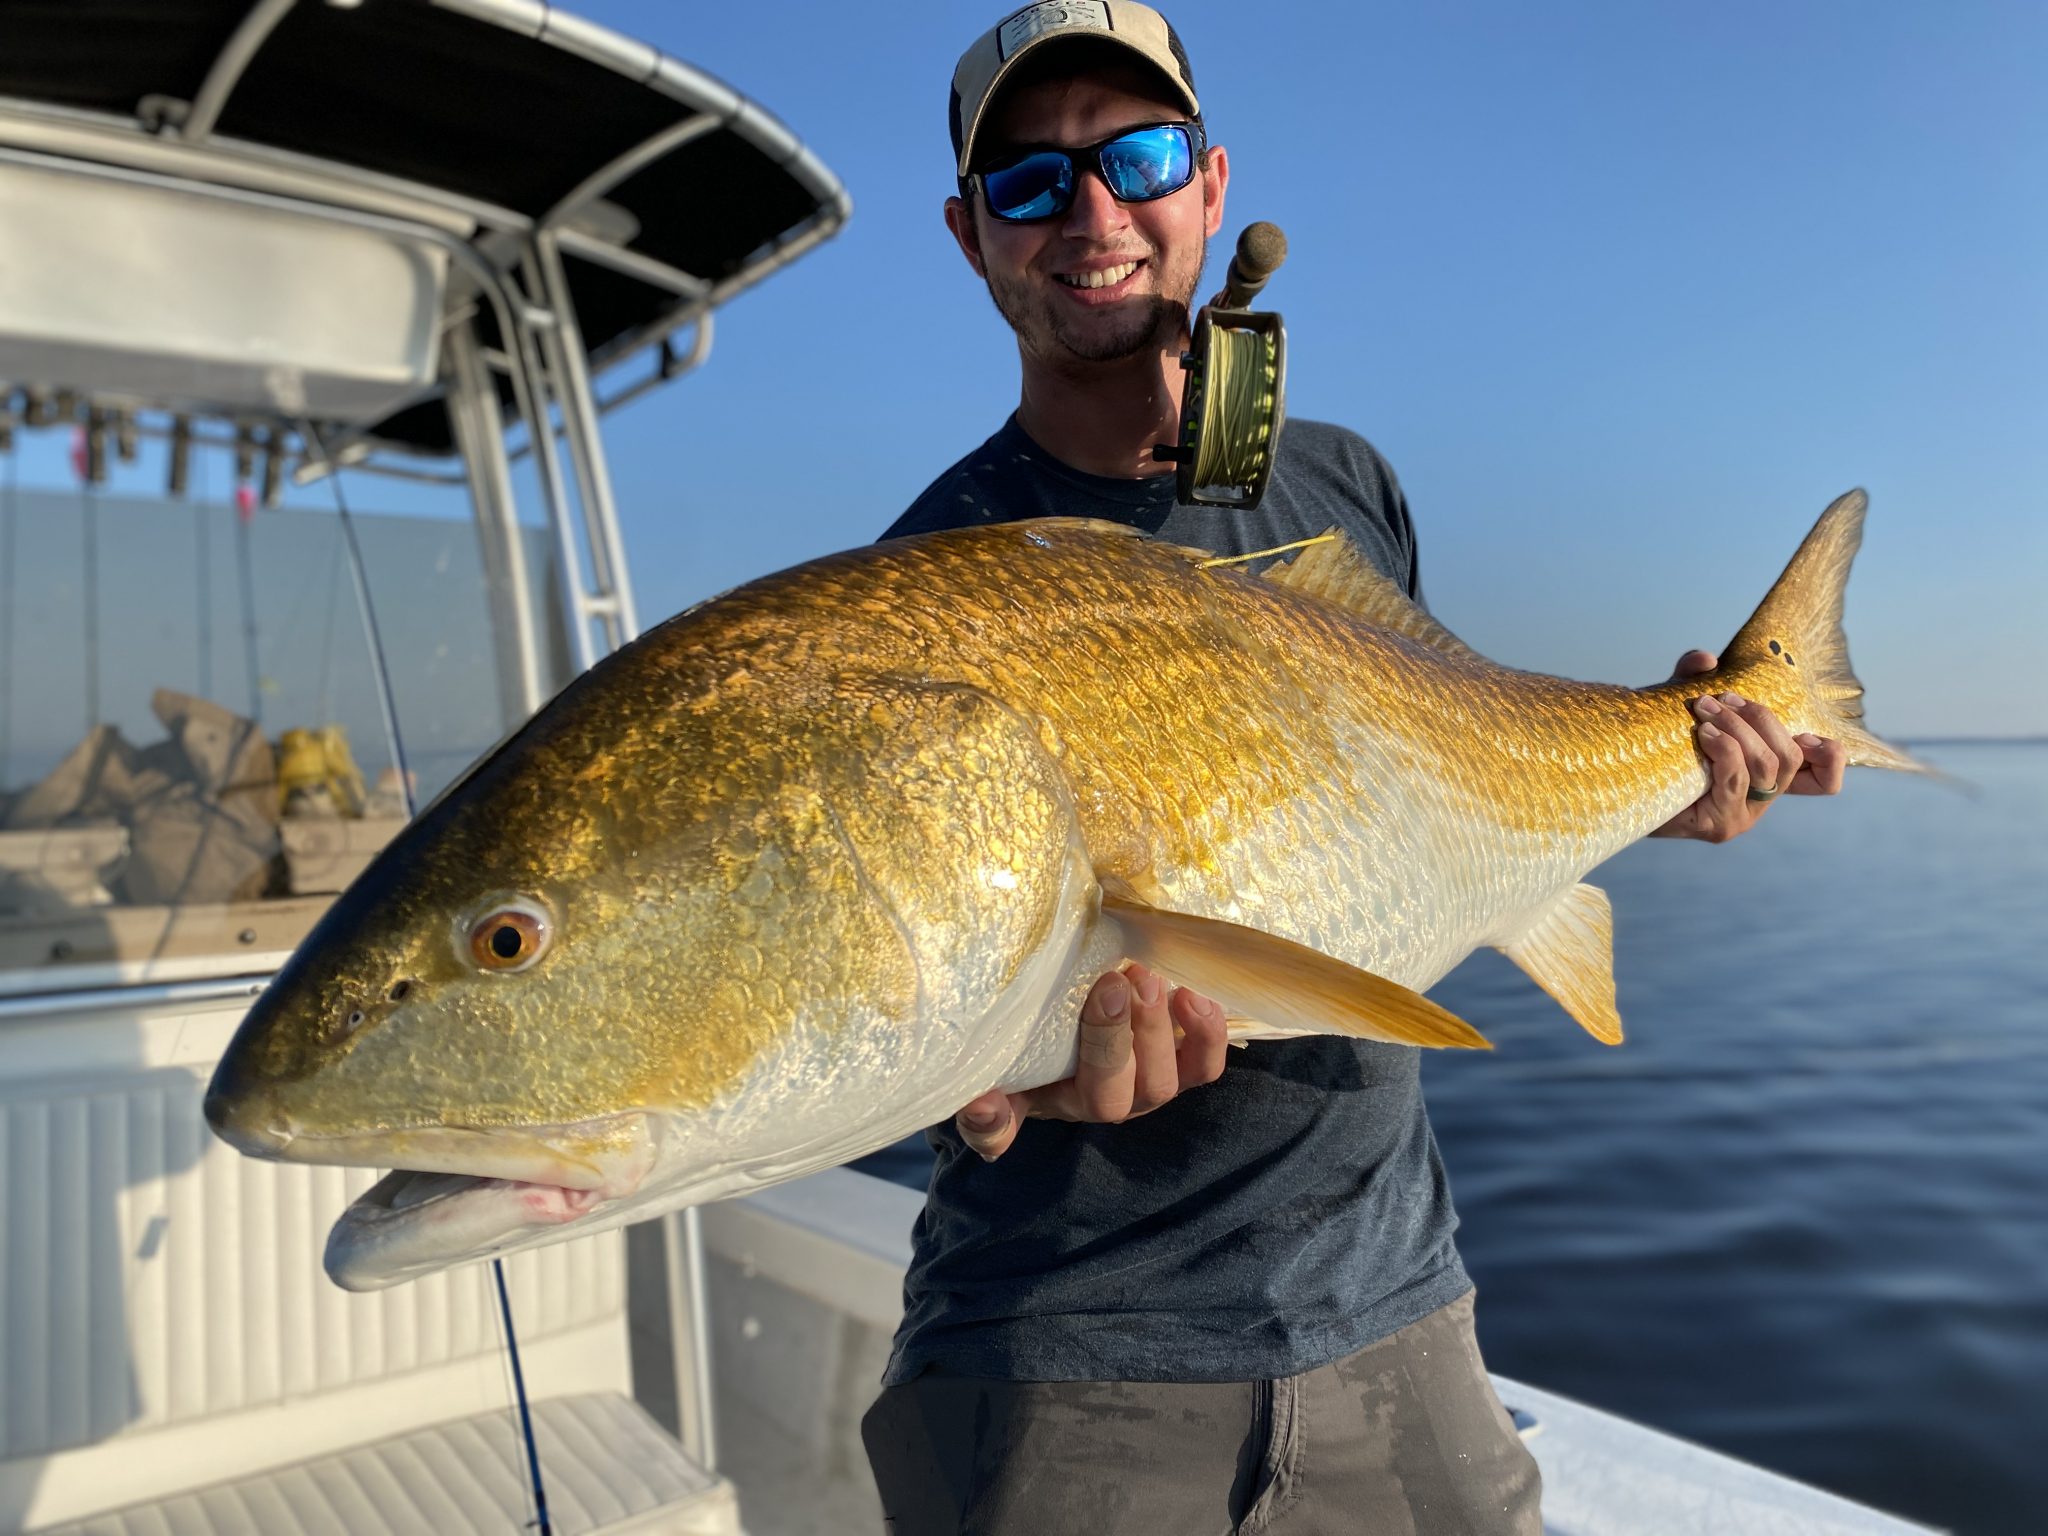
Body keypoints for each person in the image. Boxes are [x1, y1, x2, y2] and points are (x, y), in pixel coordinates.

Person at [858, 6, 1848, 1531]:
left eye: (1136, 158)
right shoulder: (928, 584)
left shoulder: (1344, 479)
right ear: (970, 235)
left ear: (1209, 183)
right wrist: (1001, 1100)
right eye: (1034, 184)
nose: (1096, 215)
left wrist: (1672, 769)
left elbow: (1434, 777)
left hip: (1401, 1307)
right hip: (1068, 1342)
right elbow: (899, 999)